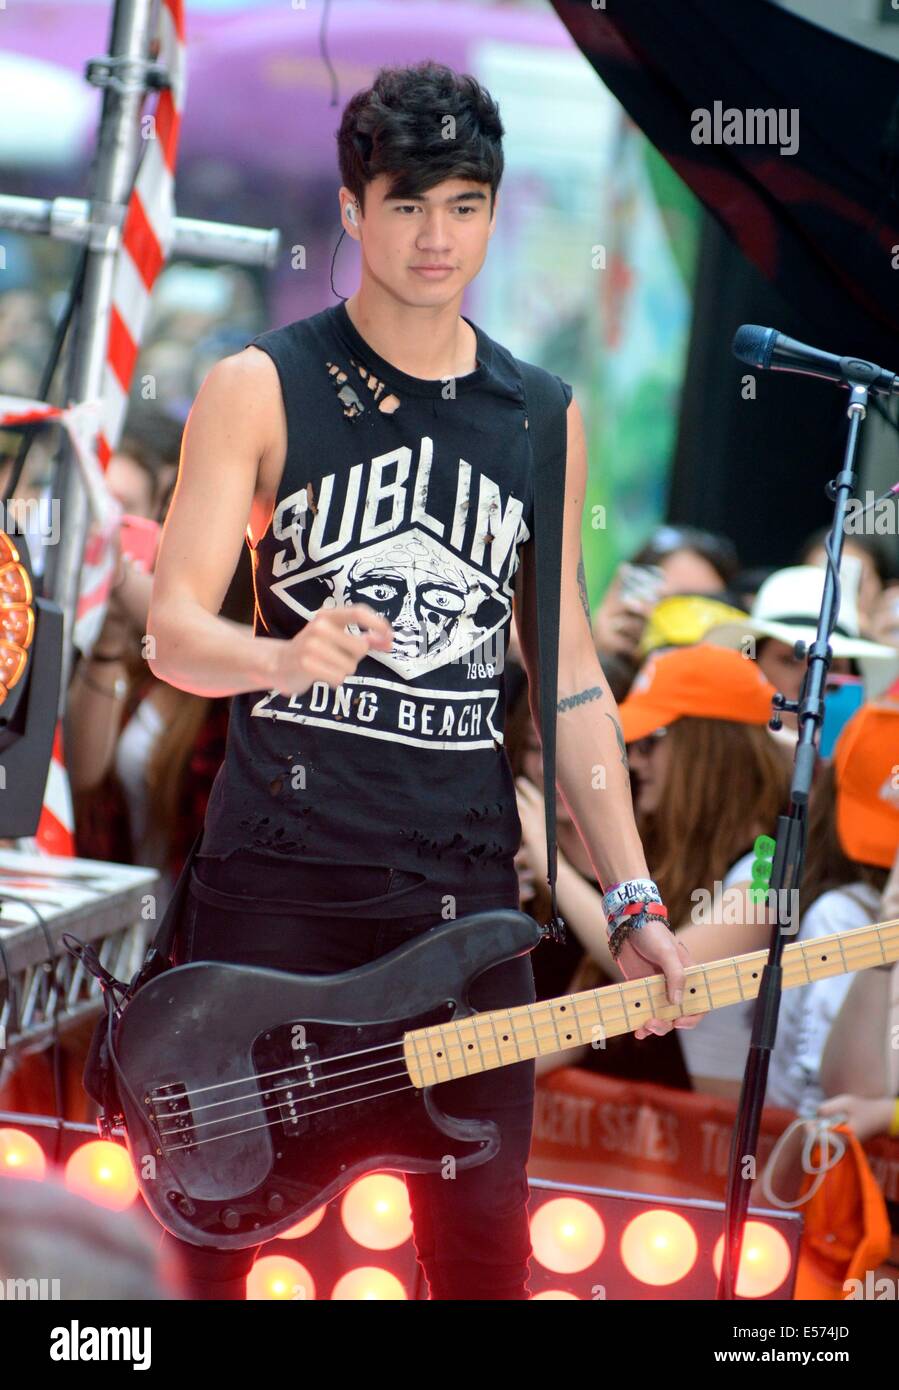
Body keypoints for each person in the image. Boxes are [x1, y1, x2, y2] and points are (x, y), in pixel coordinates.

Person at [143, 60, 701, 1301]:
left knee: (481, 1261)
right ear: (350, 211)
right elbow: (171, 633)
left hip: (459, 899)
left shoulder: (537, 414)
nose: (435, 235)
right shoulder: (258, 385)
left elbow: (562, 681)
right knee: (210, 1252)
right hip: (276, 888)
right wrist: (279, 654)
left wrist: (634, 898)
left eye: (462, 205)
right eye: (405, 204)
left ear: (493, 213)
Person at [516, 644, 792, 1096]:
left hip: (727, 1151)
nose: (636, 762)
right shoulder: (675, 851)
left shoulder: (771, 864)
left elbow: (665, 974)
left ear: (706, 750)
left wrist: (553, 861)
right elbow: (591, 1009)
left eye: (650, 743)